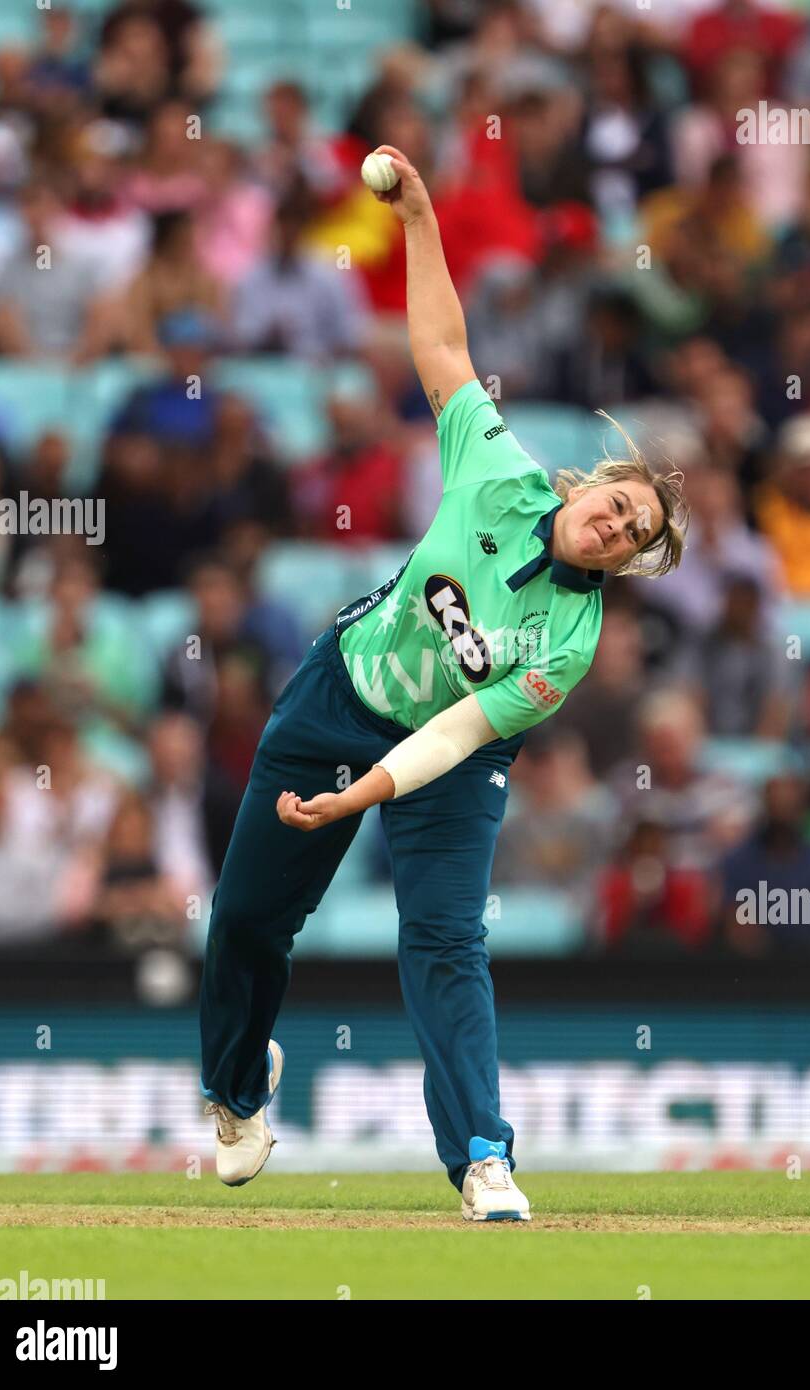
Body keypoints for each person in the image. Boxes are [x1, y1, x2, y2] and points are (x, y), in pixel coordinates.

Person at [198, 143, 687, 1221]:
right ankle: (236, 1096)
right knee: (241, 921)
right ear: (588, 484)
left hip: (447, 760)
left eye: (636, 535)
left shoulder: (567, 641)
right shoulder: (498, 467)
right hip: (341, 693)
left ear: (628, 559)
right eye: (619, 504)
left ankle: (482, 1157)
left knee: (446, 939)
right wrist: (418, 213)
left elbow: (456, 736)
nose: (616, 525)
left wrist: (362, 796)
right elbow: (438, 346)